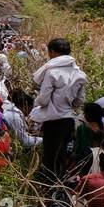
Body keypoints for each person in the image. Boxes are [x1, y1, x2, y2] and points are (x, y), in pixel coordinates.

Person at [31, 37, 87, 185]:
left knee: (50, 156)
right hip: (68, 119)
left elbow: (43, 99)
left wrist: (37, 103)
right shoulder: (80, 74)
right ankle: (60, 186)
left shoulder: (52, 72)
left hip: (53, 121)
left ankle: (49, 187)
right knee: (61, 155)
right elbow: (79, 101)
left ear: (53, 52)